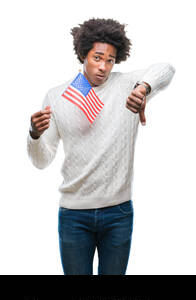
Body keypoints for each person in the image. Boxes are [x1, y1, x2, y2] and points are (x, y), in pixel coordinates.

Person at [26, 18, 174, 275]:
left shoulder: (128, 86)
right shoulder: (58, 96)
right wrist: (35, 135)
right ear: (83, 55)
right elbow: (41, 160)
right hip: (74, 215)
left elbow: (167, 68)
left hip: (118, 213)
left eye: (110, 60)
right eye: (97, 57)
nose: (104, 66)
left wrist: (144, 87)